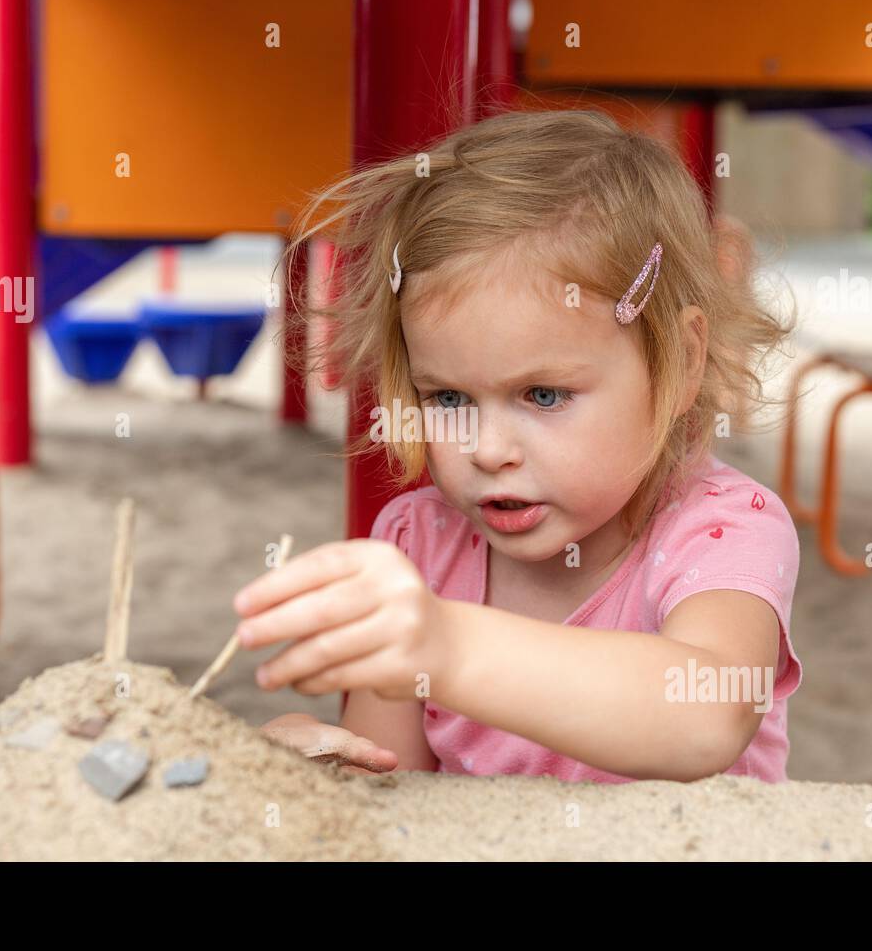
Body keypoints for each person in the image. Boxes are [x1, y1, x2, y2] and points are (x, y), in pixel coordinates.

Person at [246, 108, 802, 783]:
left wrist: (448, 647)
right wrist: (319, 765)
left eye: (543, 396)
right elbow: (389, 787)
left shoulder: (722, 530)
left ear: (681, 362)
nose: (486, 450)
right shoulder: (418, 545)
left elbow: (708, 716)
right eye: (448, 399)